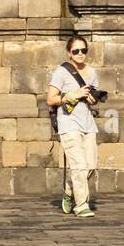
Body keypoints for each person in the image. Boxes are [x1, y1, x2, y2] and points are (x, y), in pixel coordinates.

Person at [48, 36, 101, 218]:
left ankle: (70, 189)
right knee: (78, 166)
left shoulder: (91, 72)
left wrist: (92, 99)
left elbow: (92, 100)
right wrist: (74, 94)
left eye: (83, 50)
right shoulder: (61, 72)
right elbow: (51, 98)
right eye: (76, 51)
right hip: (69, 124)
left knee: (90, 166)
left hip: (88, 124)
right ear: (69, 53)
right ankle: (81, 205)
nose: (80, 54)